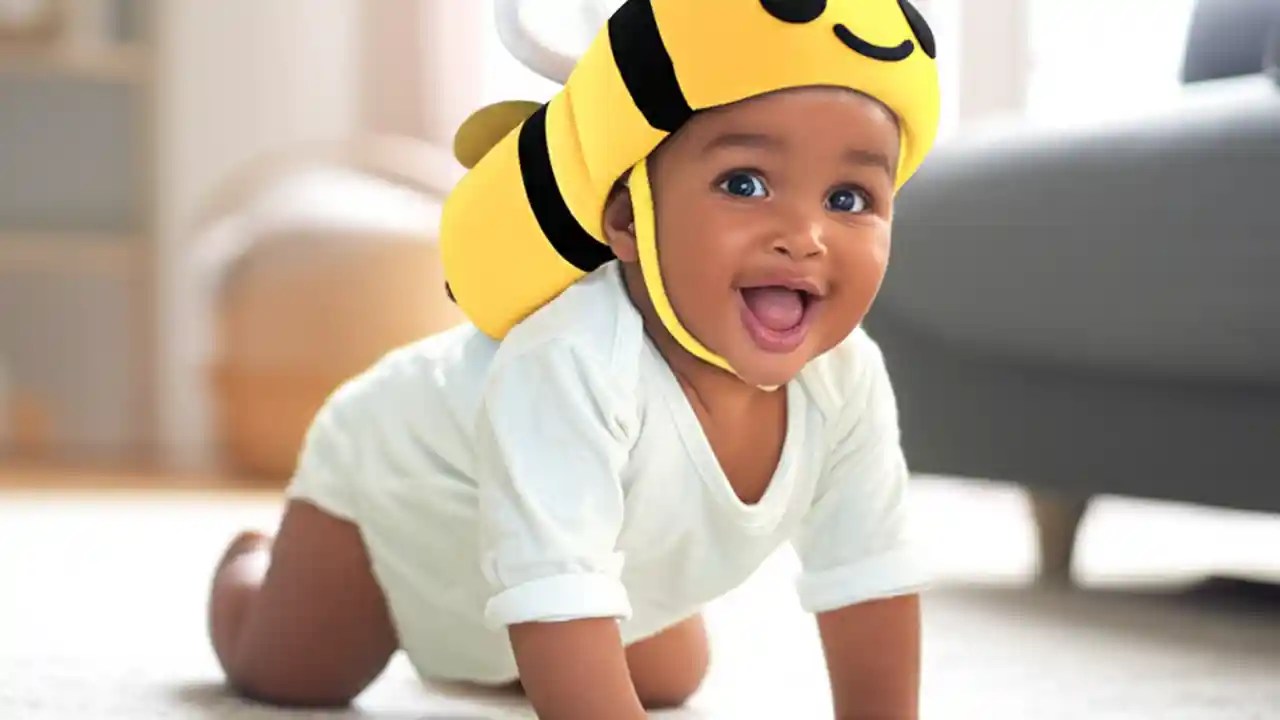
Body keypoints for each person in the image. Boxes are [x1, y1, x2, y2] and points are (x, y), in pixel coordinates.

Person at [207, 1, 942, 717]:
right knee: (291, 672)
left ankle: (517, 653)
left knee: (668, 674)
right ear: (626, 216)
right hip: (395, 509)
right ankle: (251, 562)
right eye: (743, 184)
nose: (804, 234)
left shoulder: (846, 379)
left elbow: (866, 573)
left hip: (566, 558)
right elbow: (557, 590)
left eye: (849, 198)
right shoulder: (573, 358)